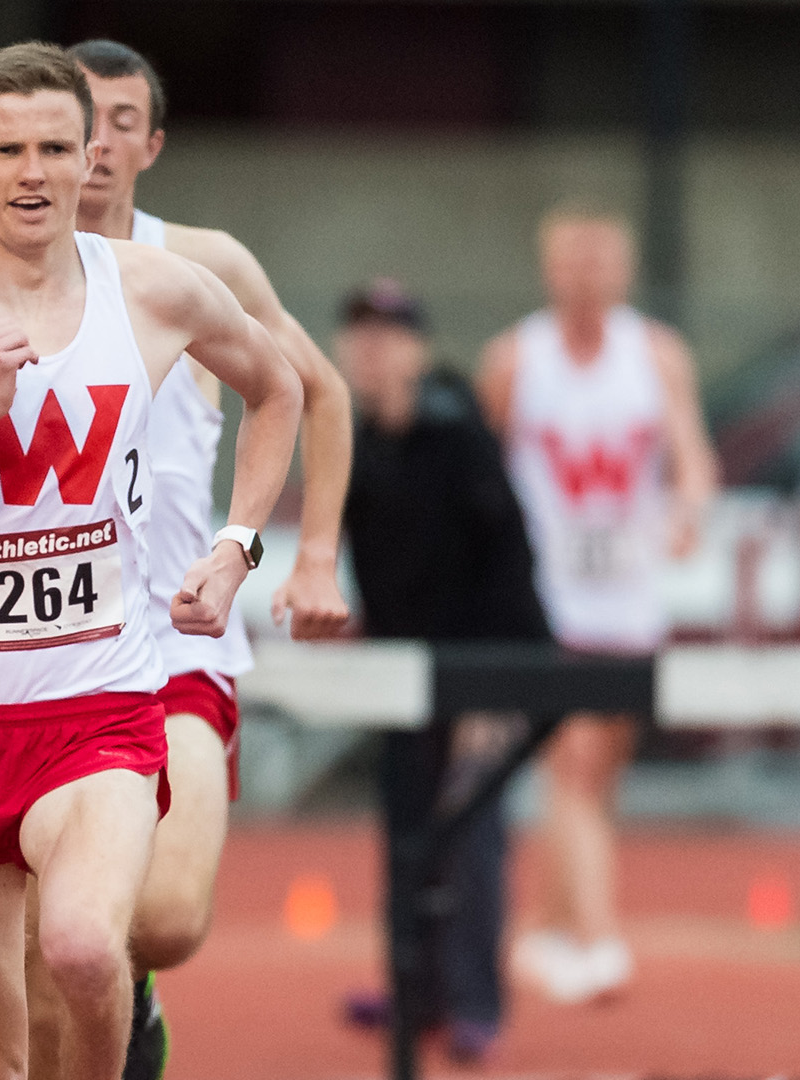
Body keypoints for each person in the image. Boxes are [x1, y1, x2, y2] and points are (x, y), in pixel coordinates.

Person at [0, 42, 301, 1080]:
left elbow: (283, 387)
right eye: (6, 150)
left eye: (55, 147)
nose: (33, 173)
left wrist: (237, 547)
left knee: (86, 946)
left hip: (103, 703)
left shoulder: (159, 290)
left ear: (94, 157)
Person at [34, 37, 353, 1080]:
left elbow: (319, 392)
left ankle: (136, 996)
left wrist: (308, 560)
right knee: (56, 944)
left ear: (151, 143)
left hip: (178, 636)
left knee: (162, 919)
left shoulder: (202, 265)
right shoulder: (0, 273)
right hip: (45, 647)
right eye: (86, 118)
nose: (103, 142)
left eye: (125, 122)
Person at [477, 205, 717, 1004]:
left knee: (598, 772)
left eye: (601, 260)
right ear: (550, 268)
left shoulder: (655, 354)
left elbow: (692, 456)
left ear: (625, 268)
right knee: (571, 763)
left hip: (630, 599)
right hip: (548, 601)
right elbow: (479, 474)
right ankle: (599, 937)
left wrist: (688, 511)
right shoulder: (517, 359)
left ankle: (544, 930)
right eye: (572, 260)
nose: (587, 275)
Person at [331, 279, 552, 1063]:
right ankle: (413, 991)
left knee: (472, 831)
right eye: (359, 335)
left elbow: (508, 557)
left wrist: (496, 688)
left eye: (389, 335)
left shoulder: (458, 431)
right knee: (406, 826)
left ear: (419, 349)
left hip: (487, 661)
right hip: (404, 670)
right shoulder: (354, 438)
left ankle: (474, 1004)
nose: (372, 349)